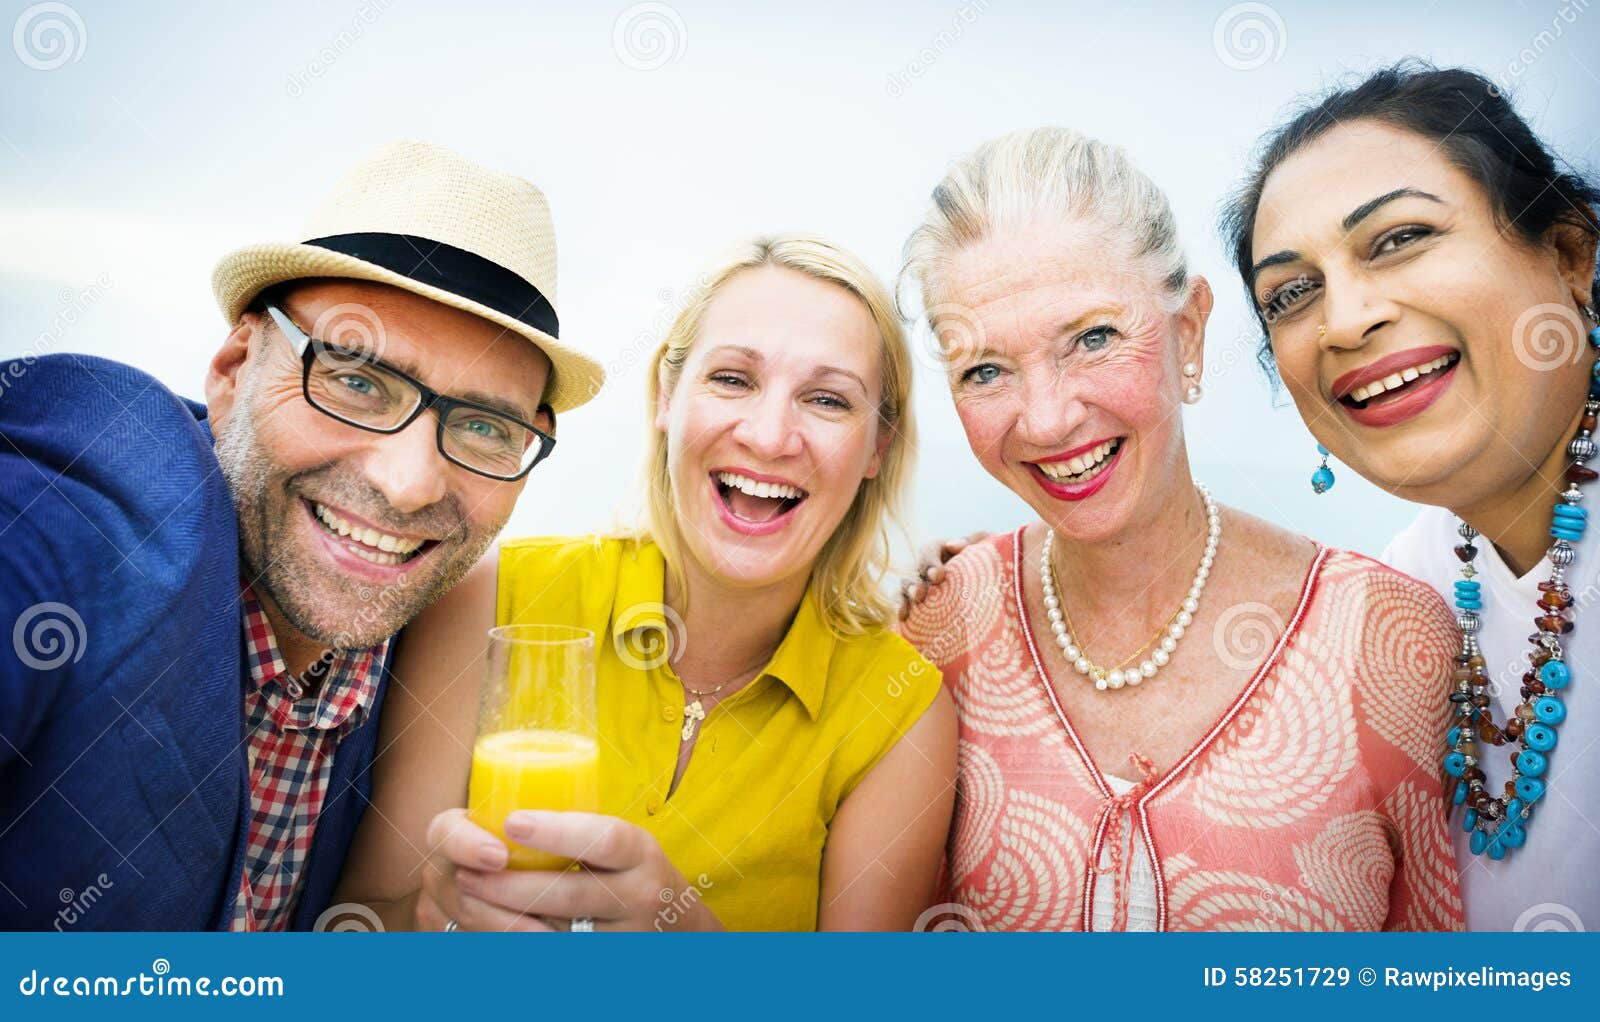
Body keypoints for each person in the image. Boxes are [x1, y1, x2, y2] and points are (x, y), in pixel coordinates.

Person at [0, 141, 605, 930]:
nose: (408, 484)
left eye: (486, 425)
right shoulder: (69, 532)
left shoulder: (430, 642)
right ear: (234, 367)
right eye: (355, 380)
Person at [896, 127, 1464, 930]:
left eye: (1093, 338)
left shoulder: (1389, 638)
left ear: (1189, 331)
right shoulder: (938, 624)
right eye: (985, 371)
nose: (1049, 420)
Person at [336, 235, 957, 932]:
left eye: (827, 400)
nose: (770, 435)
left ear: (878, 446)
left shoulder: (899, 714)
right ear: (667, 395)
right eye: (733, 379)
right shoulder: (493, 598)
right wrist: (431, 924)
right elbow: (363, 919)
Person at [1220, 60, 1600, 931]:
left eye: (1398, 239)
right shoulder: (1410, 594)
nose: (1346, 320)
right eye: (1292, 293)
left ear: (1570, 252)